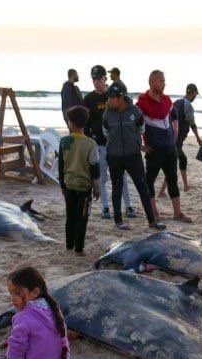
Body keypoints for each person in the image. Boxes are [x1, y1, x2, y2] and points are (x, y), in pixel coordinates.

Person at [104, 82, 162, 231]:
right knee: (117, 188)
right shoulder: (107, 113)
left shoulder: (135, 111)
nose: (110, 101)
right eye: (109, 97)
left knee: (143, 188)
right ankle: (118, 220)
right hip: (114, 156)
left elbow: (141, 128)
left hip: (133, 156)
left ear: (121, 97)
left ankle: (152, 221)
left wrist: (136, 144)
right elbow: (105, 132)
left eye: (112, 98)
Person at [137, 70, 191, 223]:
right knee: (149, 181)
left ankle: (178, 213)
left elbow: (174, 119)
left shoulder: (167, 101)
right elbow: (133, 125)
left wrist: (173, 139)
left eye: (164, 81)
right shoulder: (142, 103)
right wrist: (141, 145)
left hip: (169, 148)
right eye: (161, 81)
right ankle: (153, 213)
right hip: (154, 149)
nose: (164, 83)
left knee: (172, 179)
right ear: (152, 82)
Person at [81, 65, 131, 219]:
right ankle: (105, 208)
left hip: (116, 145)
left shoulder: (114, 94)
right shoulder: (88, 99)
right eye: (94, 79)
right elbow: (84, 122)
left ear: (105, 78)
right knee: (102, 178)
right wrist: (90, 138)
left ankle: (128, 207)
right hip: (99, 145)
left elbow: (128, 110)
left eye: (99, 79)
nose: (96, 82)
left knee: (121, 177)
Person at [59, 105, 100, 254]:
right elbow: (95, 169)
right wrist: (97, 188)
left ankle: (69, 245)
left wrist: (62, 185)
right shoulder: (91, 144)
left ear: (71, 122)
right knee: (82, 217)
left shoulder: (64, 141)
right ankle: (79, 248)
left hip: (69, 186)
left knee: (70, 216)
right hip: (84, 187)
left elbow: (61, 165)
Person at [169, 83, 202, 194]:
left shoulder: (177, 102)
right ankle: (162, 191)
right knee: (172, 164)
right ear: (193, 93)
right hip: (177, 139)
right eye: (195, 94)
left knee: (181, 159)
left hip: (170, 137)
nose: (195, 96)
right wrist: (198, 138)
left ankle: (185, 186)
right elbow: (192, 123)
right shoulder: (188, 105)